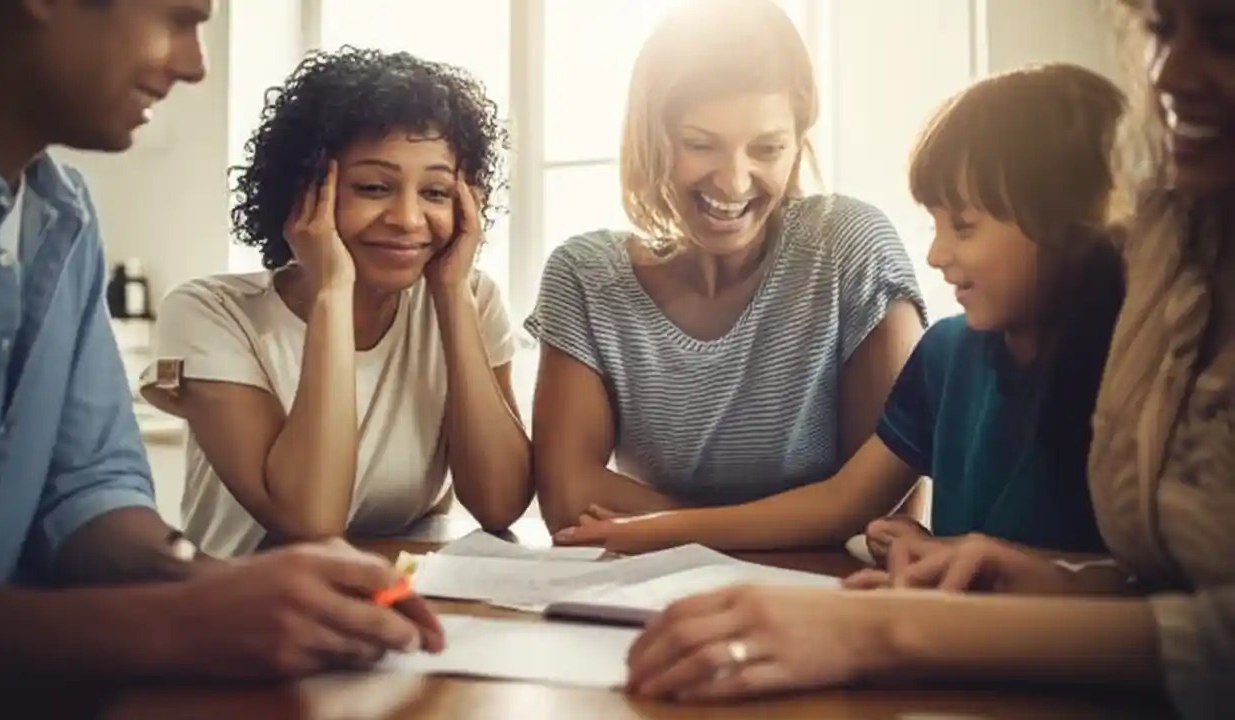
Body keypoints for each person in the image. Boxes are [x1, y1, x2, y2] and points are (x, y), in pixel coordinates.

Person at [622, 1, 1234, 718]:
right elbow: (1174, 587)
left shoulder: (1115, 346)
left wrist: (887, 629)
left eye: (965, 226)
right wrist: (1062, 579)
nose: (1166, 75)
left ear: (1071, 224)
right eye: (1159, 31)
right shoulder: (979, 348)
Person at [0, 0, 442, 681]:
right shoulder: (214, 308)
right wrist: (163, 624)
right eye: (177, 17)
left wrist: (220, 583)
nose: (194, 64)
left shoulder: (64, 216)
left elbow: (87, 491)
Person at [556, 63, 1127, 558]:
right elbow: (840, 505)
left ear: (1064, 227)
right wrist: (659, 531)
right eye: (934, 224)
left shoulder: (1135, 369)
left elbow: (1178, 590)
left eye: (964, 226)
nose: (934, 254)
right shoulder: (946, 355)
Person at [526, 0, 927, 535]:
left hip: (825, 603)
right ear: (651, 136)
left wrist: (663, 528)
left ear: (798, 141)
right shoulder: (585, 278)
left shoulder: (849, 251)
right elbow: (569, 497)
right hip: (649, 599)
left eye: (767, 148)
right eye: (700, 145)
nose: (734, 183)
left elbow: (887, 517)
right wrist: (798, 523)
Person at [139, 48, 532, 558]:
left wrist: (453, 296)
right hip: (244, 612)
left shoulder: (469, 297)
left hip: (407, 602)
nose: (409, 219)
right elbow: (310, 520)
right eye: (374, 187)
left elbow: (500, 503)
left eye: (435, 192)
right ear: (302, 193)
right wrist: (331, 292)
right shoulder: (209, 313)